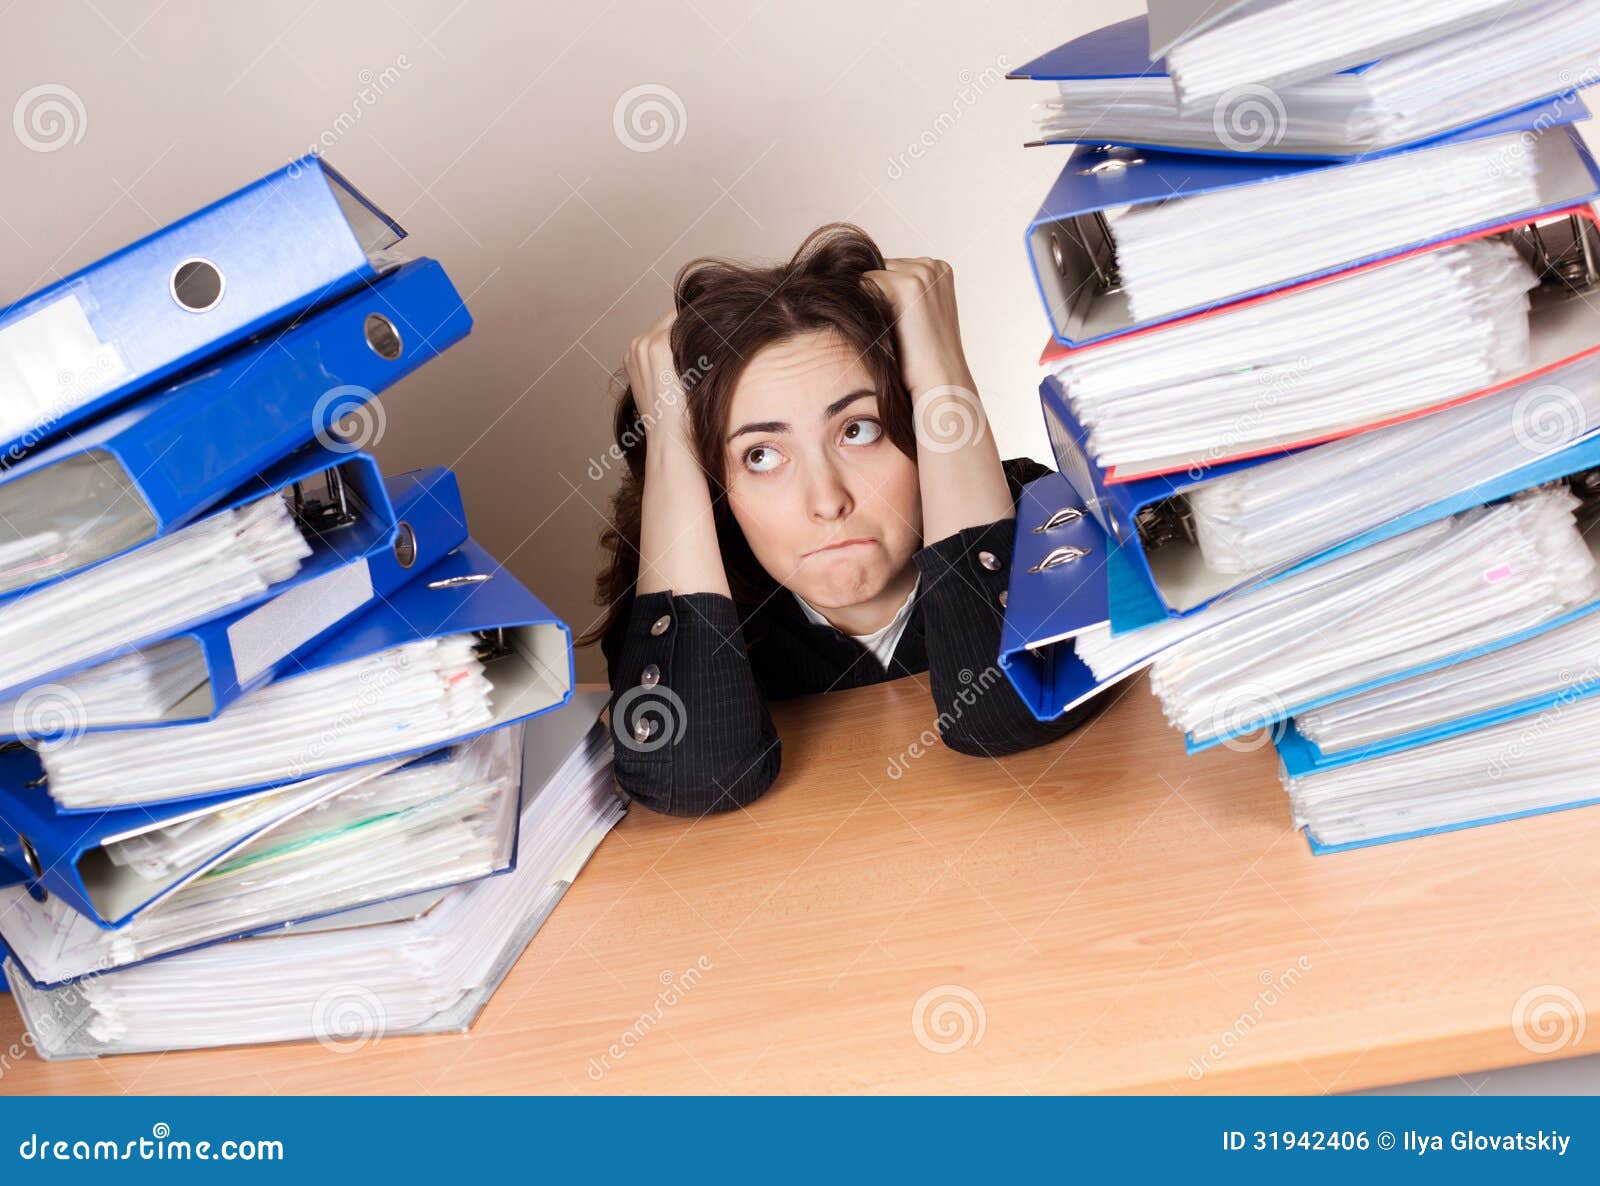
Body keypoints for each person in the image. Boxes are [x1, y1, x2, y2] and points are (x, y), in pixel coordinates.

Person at [577, 223, 1110, 816]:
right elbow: (695, 781)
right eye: (760, 455)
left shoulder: (1039, 512)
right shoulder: (684, 596)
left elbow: (1009, 716)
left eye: (858, 430)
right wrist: (670, 446)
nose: (827, 500)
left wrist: (942, 368)